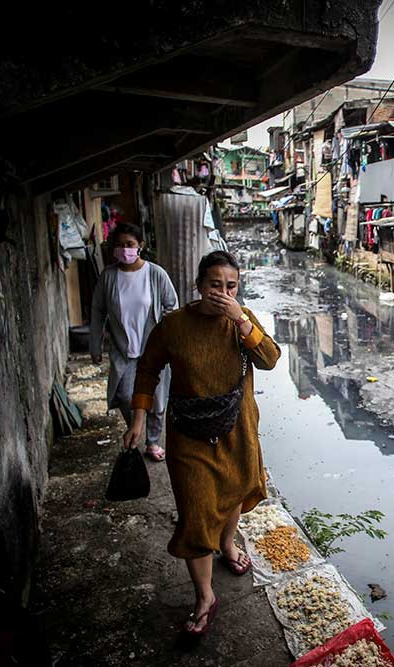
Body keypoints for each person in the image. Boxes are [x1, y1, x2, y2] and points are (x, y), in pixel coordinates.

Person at [123, 250, 281, 636]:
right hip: (190, 435)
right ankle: (205, 596)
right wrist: (140, 419)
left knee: (232, 490)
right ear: (198, 286)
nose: (223, 293)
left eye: (231, 286)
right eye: (215, 285)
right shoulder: (174, 326)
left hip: (237, 428)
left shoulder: (240, 321)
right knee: (196, 511)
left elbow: (271, 359)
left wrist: (240, 319)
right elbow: (147, 368)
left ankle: (227, 545)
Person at [90, 223, 178, 461]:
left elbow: (172, 305)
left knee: (158, 399)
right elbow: (98, 312)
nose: (124, 249)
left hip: (154, 350)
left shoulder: (155, 274)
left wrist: (167, 334)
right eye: (119, 245)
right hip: (124, 350)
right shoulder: (108, 277)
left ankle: (152, 441)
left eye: (129, 244)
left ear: (141, 245)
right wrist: (95, 346)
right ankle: (135, 429)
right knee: (126, 396)